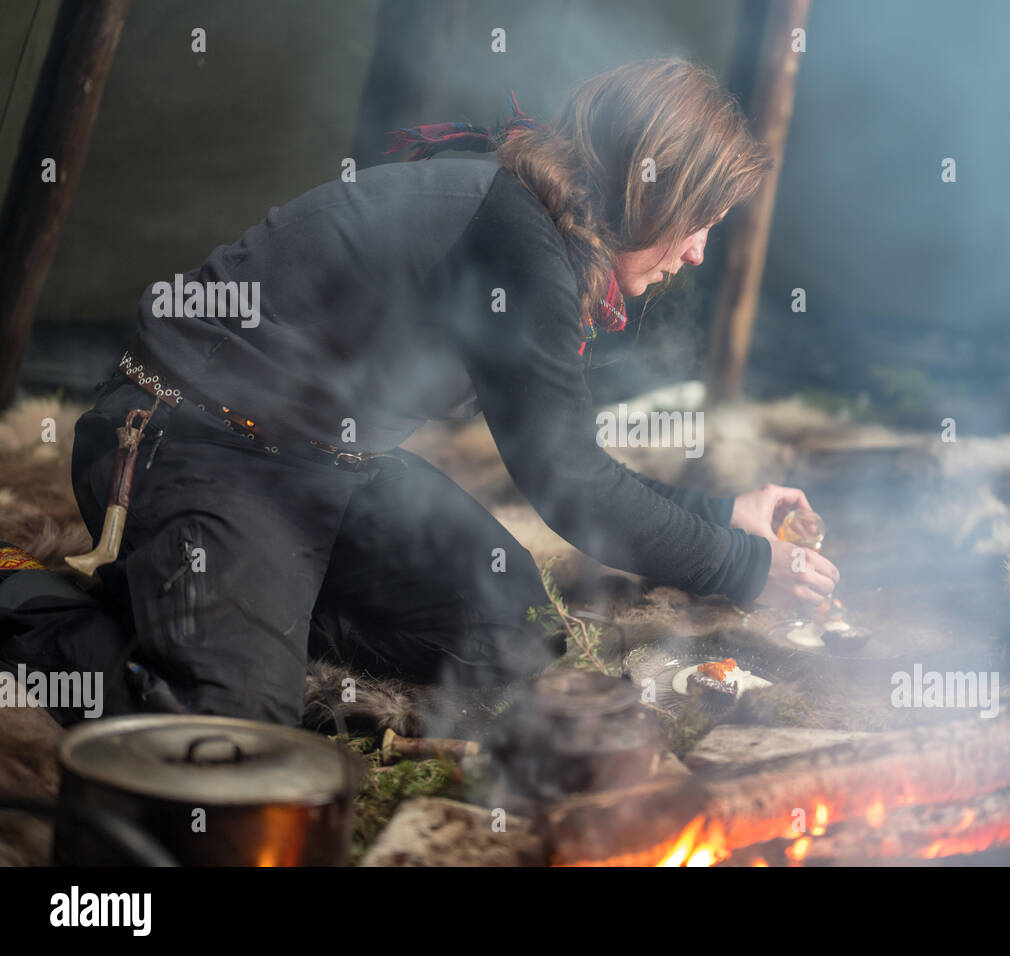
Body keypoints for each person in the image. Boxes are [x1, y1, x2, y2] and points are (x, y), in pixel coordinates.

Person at [6, 58, 841, 727]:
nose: (697, 252)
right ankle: (30, 610)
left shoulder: (544, 228)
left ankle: (215, 612)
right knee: (229, 734)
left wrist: (717, 514)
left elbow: (570, 460)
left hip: (331, 462)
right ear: (651, 187)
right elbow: (570, 486)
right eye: (702, 219)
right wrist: (743, 567)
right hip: (195, 441)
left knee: (510, 634)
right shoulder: (520, 240)